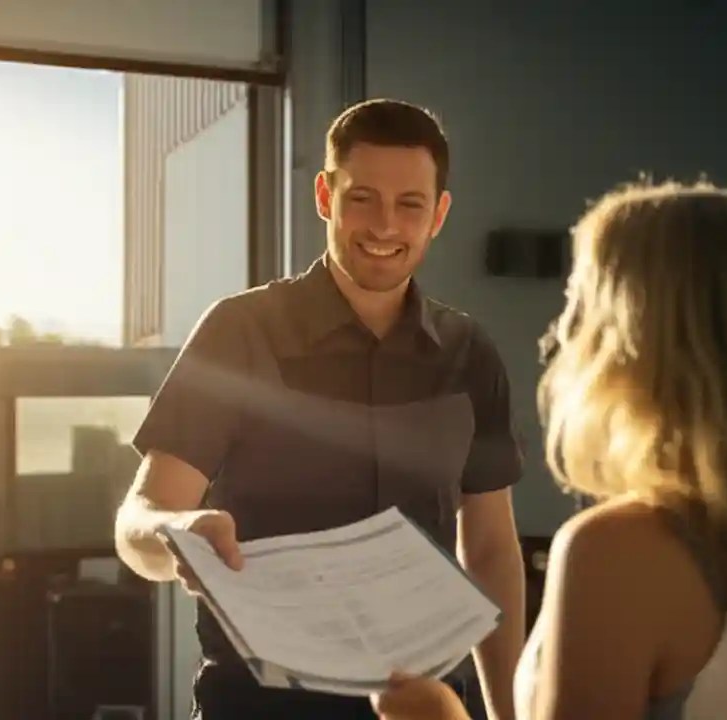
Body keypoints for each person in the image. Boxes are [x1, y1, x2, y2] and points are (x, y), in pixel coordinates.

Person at [373, 180, 727, 719]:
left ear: (629, 338)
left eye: (579, 301)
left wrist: (437, 715)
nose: (562, 331)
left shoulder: (616, 551)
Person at [113, 98, 527, 720]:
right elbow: (136, 522)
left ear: (438, 214)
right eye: (362, 198)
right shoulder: (239, 332)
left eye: (409, 204)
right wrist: (175, 535)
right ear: (325, 197)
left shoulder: (470, 353)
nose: (385, 226)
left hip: (431, 706)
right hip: (258, 708)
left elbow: (492, 546)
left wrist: (508, 716)